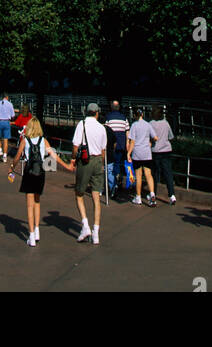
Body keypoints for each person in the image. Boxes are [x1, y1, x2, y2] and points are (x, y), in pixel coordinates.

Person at [10, 115, 70, 246]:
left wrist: (12, 167)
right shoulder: (44, 141)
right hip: (40, 172)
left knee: (29, 205)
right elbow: (54, 156)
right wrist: (67, 166)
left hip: (29, 172)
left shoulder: (25, 140)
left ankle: (31, 235)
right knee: (37, 201)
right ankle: (37, 229)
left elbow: (17, 156)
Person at [72, 102, 107, 244]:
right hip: (98, 160)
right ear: (97, 113)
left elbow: (75, 145)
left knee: (79, 194)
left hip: (85, 161)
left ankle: (85, 225)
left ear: (87, 112)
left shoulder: (82, 124)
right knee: (96, 196)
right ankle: (96, 231)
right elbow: (103, 150)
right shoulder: (102, 128)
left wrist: (74, 159)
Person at [126, 108, 156, 206]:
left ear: (135, 115)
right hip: (147, 153)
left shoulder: (134, 125)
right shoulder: (148, 125)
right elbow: (155, 137)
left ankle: (138, 197)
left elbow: (132, 141)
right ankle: (152, 194)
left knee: (138, 176)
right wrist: (150, 142)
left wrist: (128, 153)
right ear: (142, 114)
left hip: (137, 153)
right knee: (148, 174)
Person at [149, 105, 176, 204]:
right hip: (166, 150)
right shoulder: (166, 123)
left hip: (155, 151)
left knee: (154, 173)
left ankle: (153, 193)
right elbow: (171, 137)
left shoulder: (151, 124)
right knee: (168, 173)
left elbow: (149, 137)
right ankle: (172, 195)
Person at [105, 101, 129, 198]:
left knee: (110, 165)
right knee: (118, 163)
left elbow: (105, 131)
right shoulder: (124, 118)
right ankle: (117, 175)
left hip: (110, 146)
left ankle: (113, 183)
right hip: (121, 145)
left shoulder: (108, 118)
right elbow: (127, 132)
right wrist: (127, 144)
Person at [0, 92, 15, 162]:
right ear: (7, 97)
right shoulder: (10, 104)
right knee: (6, 140)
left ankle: (0, 150)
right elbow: (13, 116)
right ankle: (5, 156)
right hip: (7, 122)